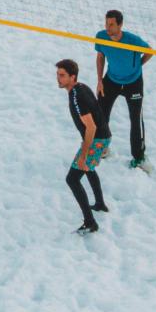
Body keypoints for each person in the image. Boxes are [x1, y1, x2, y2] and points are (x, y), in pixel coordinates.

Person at [55, 58, 110, 234]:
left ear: (73, 77)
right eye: (57, 75)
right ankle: (100, 204)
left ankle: (90, 222)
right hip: (102, 137)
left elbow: (91, 127)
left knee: (72, 179)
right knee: (88, 169)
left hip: (96, 139)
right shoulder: (81, 88)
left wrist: (85, 153)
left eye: (62, 75)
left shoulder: (77, 96)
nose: (58, 78)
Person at [94, 7, 151, 169]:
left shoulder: (133, 40)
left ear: (120, 25)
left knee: (135, 119)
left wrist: (138, 65)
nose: (108, 28)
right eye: (106, 24)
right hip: (111, 80)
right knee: (101, 115)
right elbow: (100, 57)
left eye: (111, 25)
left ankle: (139, 157)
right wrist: (99, 80)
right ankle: (102, 148)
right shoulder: (101, 36)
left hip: (133, 83)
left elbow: (149, 52)